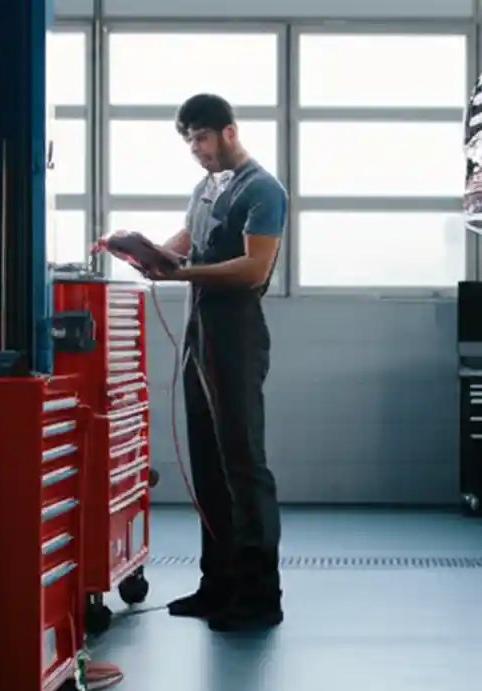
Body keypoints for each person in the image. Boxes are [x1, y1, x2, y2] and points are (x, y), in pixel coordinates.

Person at [150, 93, 287, 632]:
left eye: (201, 138)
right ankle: (219, 584)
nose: (195, 150)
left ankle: (259, 594)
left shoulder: (262, 190)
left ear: (229, 132)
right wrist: (142, 252)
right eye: (188, 141)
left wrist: (180, 275)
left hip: (236, 335)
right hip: (198, 334)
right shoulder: (205, 189)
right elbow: (182, 244)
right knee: (207, 463)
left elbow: (254, 269)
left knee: (242, 465)